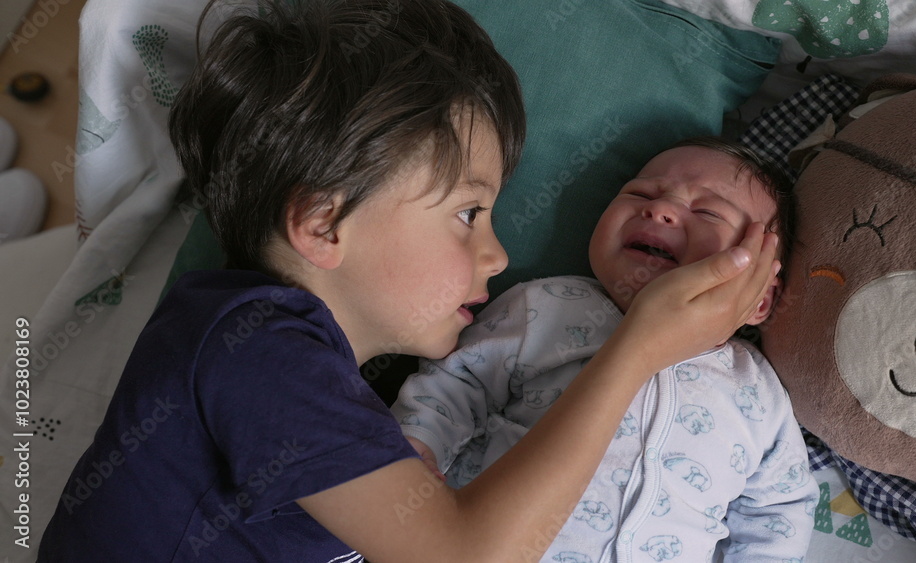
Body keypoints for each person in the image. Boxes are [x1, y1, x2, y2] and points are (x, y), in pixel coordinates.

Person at [37, 1, 780, 561]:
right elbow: (465, 554)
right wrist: (638, 350)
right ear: (324, 223)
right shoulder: (255, 350)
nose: (498, 255)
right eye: (468, 213)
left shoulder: (301, 368)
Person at [393, 137, 817, 562]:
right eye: (640, 193)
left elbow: (781, 509)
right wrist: (419, 447)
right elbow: (457, 383)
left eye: (708, 212)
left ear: (761, 297)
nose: (659, 209)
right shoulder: (545, 307)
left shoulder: (756, 391)